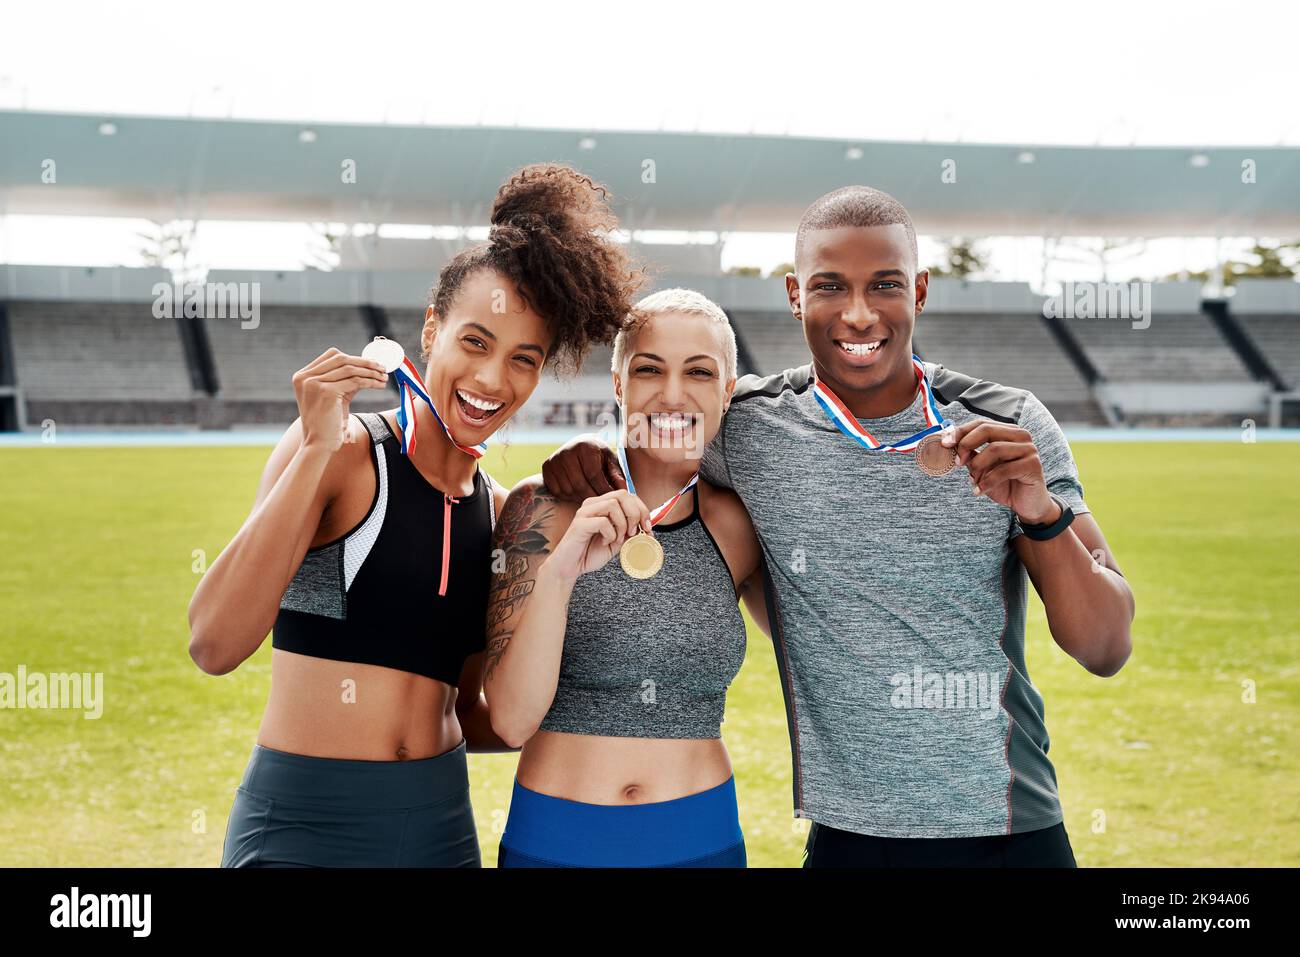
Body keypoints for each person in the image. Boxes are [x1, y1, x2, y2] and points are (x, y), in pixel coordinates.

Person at [540, 186, 1136, 867]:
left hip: (1009, 829)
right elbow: (660, 426)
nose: (858, 313)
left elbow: (1105, 645)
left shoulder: (1010, 422)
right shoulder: (750, 426)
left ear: (919, 291)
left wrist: (1042, 513)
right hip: (848, 839)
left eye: (884, 285)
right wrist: (585, 457)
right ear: (796, 295)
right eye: (830, 286)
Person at [187, 163, 644, 867]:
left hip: (441, 831)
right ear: (431, 330)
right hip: (307, 828)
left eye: (524, 359)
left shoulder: (496, 513)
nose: (493, 379)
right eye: (475, 342)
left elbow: (476, 713)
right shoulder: (343, 453)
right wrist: (310, 451)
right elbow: (214, 644)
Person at [483, 288, 768, 867]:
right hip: (556, 839)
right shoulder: (540, 507)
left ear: (727, 392)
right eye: (648, 370)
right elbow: (510, 719)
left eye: (699, 372)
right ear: (618, 383)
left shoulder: (738, 523)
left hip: (702, 838)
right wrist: (561, 571)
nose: (671, 393)